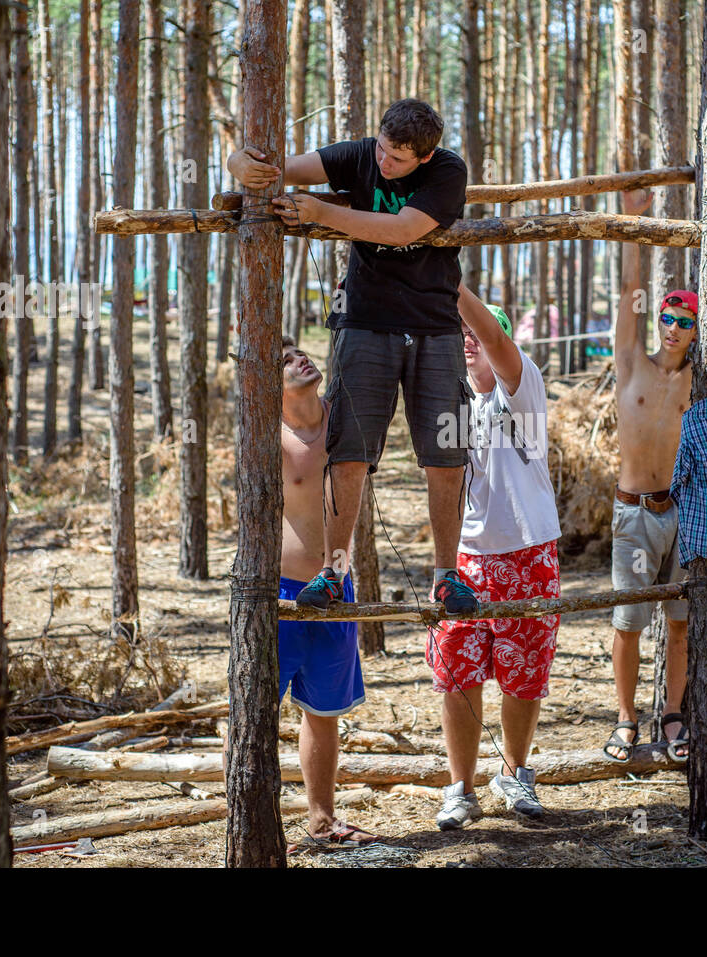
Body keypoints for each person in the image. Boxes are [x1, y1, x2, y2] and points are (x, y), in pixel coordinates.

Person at [226, 98, 478, 616]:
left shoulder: (449, 170)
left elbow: (403, 229)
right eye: (383, 150)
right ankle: (333, 572)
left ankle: (446, 576)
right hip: (363, 321)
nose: (384, 164)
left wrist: (321, 213)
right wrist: (236, 162)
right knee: (349, 454)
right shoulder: (359, 154)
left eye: (398, 159)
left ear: (425, 159)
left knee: (445, 456)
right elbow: (278, 165)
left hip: (435, 325)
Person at [427, 285, 562, 830]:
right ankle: (460, 789)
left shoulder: (521, 386)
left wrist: (450, 280)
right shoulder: (458, 402)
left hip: (529, 552)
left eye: (477, 334)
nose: (469, 342)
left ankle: (515, 773)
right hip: (468, 558)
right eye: (461, 335)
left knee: (522, 677)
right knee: (457, 672)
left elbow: (494, 340)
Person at [603, 189, 696, 765]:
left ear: (695, 331)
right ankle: (625, 720)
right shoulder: (631, 362)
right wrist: (634, 226)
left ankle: (673, 716)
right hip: (633, 512)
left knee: (680, 625)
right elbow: (627, 300)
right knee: (629, 623)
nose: (671, 327)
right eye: (666, 316)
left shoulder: (698, 382)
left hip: (679, 511)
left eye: (684, 322)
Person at [272, 337, 375, 847]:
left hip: (336, 589)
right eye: (285, 360)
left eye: (300, 353)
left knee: (324, 710)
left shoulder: (345, 417)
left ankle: (320, 818)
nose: (299, 360)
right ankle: (248, 815)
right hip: (281, 596)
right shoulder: (267, 435)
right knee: (255, 706)